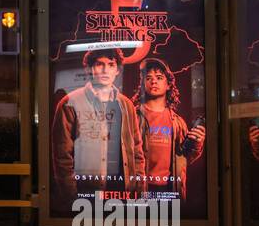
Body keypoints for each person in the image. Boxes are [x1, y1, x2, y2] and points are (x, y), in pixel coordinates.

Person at [50, 48, 145, 212]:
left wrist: (139, 187)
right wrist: (72, 197)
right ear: (88, 68)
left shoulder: (126, 104)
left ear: (117, 70)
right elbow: (62, 157)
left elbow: (136, 149)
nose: (105, 69)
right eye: (99, 64)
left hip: (123, 193)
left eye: (110, 64)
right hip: (86, 195)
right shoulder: (69, 102)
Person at [131, 57, 205, 201]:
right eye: (148, 78)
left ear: (168, 85)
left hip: (169, 190)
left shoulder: (177, 122)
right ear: (143, 84)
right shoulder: (132, 117)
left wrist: (197, 143)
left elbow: (184, 158)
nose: (153, 81)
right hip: (139, 189)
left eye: (159, 77)